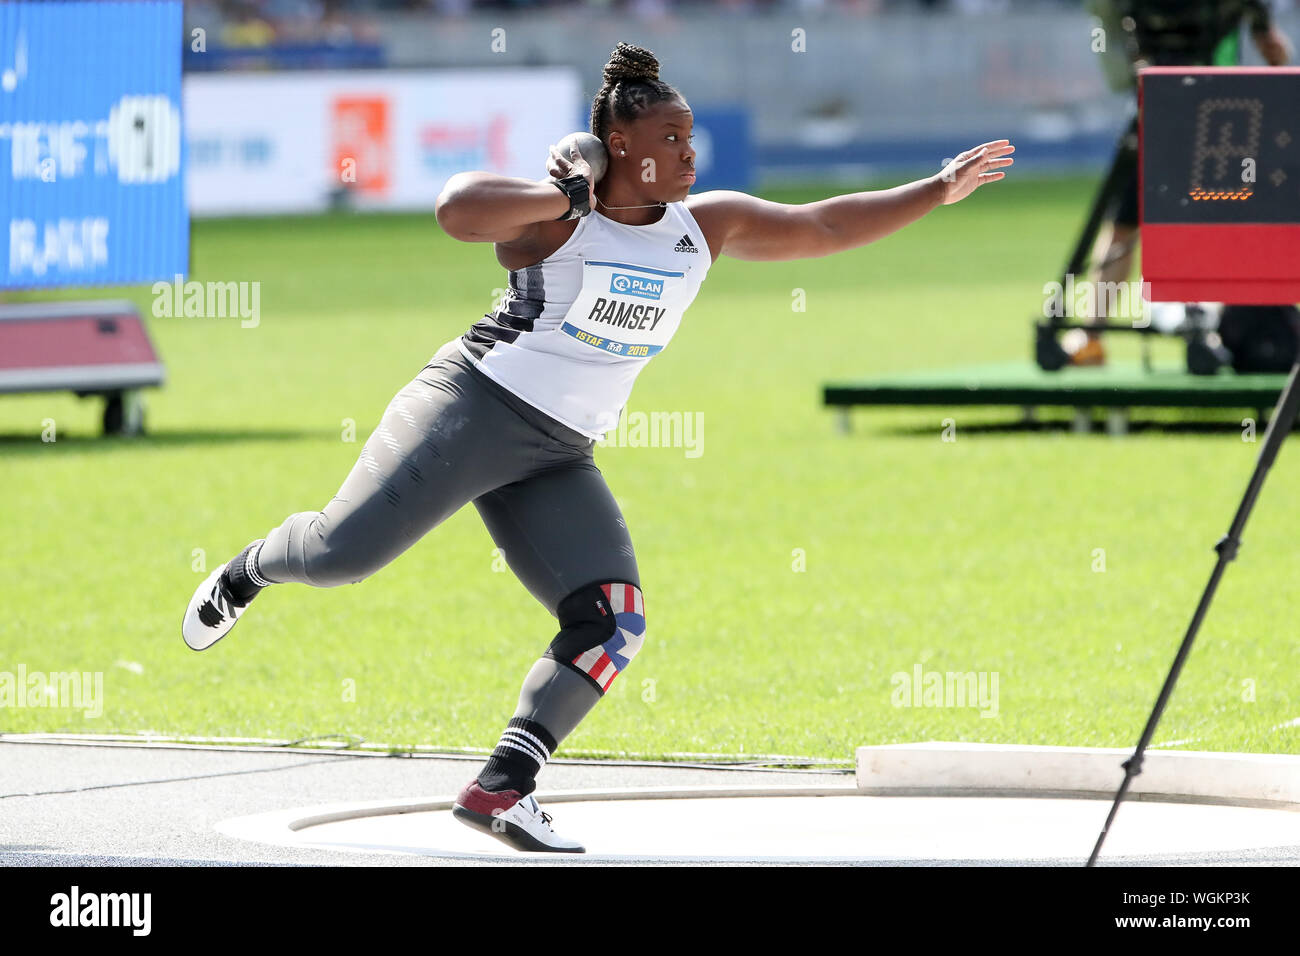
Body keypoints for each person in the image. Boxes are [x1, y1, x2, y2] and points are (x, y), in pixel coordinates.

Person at [182, 40, 1014, 853]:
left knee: (613, 622)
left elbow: (822, 224)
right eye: (671, 140)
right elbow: (457, 210)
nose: (690, 154)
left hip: (558, 454)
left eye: (690, 138)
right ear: (621, 145)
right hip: (471, 407)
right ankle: (250, 568)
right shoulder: (558, 219)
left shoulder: (704, 227)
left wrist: (938, 189)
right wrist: (567, 194)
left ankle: (503, 787)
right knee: (338, 556)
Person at [1068, 0, 1292, 366]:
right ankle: (1096, 335)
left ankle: (1212, 324)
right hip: (1189, 109)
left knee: (1190, 224)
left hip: (1195, 108)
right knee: (1130, 224)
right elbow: (1272, 47)